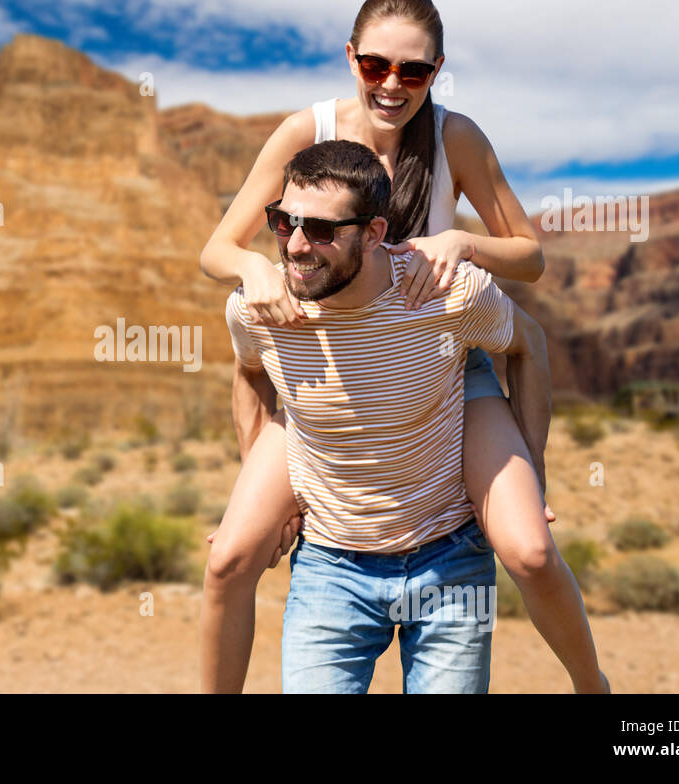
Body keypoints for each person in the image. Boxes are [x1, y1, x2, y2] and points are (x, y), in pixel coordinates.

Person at [199, 0, 608, 693]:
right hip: (327, 360)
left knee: (526, 547)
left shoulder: (456, 138)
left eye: (414, 70)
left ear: (436, 71)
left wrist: (464, 241)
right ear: (350, 54)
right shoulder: (309, 133)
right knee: (233, 554)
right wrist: (255, 268)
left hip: (443, 353)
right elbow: (217, 246)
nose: (392, 83)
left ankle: (593, 686)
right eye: (375, 63)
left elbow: (531, 257)